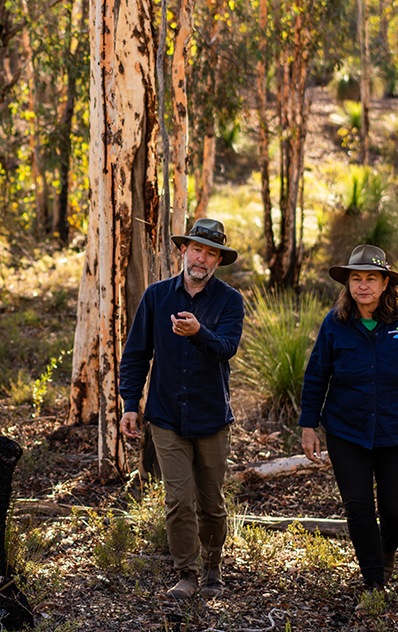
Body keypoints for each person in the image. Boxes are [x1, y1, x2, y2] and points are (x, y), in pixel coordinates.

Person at [299, 245, 398, 599]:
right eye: (356, 278)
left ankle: (385, 551)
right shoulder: (334, 324)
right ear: (347, 283)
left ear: (385, 284)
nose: (362, 286)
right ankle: (373, 582)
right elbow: (316, 376)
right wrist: (309, 425)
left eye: (371, 278)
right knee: (358, 507)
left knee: (396, 512)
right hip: (346, 430)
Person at [120, 218, 245, 599]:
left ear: (218, 260)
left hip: (211, 418)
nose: (202, 259)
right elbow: (137, 353)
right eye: (196, 249)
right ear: (182, 251)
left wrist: (199, 333)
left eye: (211, 253)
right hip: (166, 415)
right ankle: (186, 573)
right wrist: (129, 403)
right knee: (177, 500)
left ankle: (212, 568)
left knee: (211, 503)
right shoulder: (157, 297)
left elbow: (226, 348)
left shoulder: (229, 301)